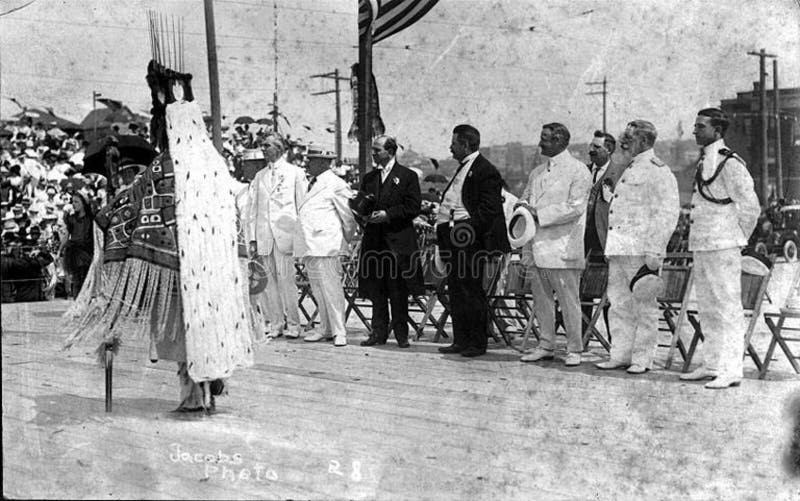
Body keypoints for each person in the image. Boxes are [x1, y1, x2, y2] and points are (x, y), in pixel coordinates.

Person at [680, 108, 760, 389]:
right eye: (695, 125)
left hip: (724, 245)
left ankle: (731, 369)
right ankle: (712, 363)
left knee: (727, 308)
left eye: (701, 126)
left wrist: (737, 239)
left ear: (717, 130)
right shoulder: (705, 161)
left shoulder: (732, 164)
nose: (695, 131)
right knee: (707, 307)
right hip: (703, 243)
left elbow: (750, 207)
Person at [595, 120, 680, 374]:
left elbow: (666, 213)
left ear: (644, 141)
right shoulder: (629, 167)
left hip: (642, 249)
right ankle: (620, 353)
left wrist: (655, 249)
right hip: (621, 246)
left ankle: (642, 358)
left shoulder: (658, 170)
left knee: (644, 305)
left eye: (629, 138)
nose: (623, 142)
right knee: (619, 303)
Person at [517, 123, 592, 366]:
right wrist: (521, 207)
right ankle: (546, 343)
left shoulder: (578, 171)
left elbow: (575, 207)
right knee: (541, 299)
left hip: (562, 248)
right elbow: (525, 197)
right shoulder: (537, 172)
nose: (540, 143)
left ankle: (574, 348)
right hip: (536, 246)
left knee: (569, 299)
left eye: (545, 139)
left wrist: (537, 213)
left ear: (560, 141)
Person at [435, 124, 510, 358]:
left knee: (471, 290)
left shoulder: (485, 170)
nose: (450, 148)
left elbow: (489, 209)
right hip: (451, 236)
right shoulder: (463, 168)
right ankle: (461, 339)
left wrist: (466, 229)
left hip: (468, 239)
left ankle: (477, 343)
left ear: (466, 145)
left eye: (454, 143)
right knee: (456, 289)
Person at [358, 135, 424, 348]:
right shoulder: (369, 178)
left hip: (398, 243)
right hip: (374, 242)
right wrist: (362, 215)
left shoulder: (407, 176)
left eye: (377, 150)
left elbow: (413, 207)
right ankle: (378, 332)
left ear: (390, 151)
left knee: (398, 291)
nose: (374, 154)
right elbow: (361, 206)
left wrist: (388, 214)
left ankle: (401, 334)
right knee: (377, 291)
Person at [295, 153, 356, 347]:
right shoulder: (308, 183)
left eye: (311, 160)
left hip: (327, 244)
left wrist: (343, 241)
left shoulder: (336, 183)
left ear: (322, 162)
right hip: (310, 243)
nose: (307, 164)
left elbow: (348, 217)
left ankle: (339, 331)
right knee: (318, 288)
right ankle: (325, 328)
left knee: (331, 288)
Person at [247, 134, 305, 338]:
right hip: (264, 236)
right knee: (269, 282)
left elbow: (302, 207)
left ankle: (294, 324)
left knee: (287, 282)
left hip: (285, 236)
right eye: (262, 145)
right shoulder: (259, 176)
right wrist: (252, 239)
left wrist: (300, 240)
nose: (263, 149)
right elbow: (253, 210)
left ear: (279, 148)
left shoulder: (295, 173)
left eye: (267, 145)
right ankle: (276, 323)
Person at [583, 130, 618, 338]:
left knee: (610, 295)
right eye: (591, 146)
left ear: (609, 149)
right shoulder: (583, 172)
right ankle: (581, 338)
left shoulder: (619, 173)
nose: (591, 151)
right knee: (582, 290)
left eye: (596, 147)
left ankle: (616, 344)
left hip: (605, 242)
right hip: (583, 241)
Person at [60, 191, 94, 298]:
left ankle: (84, 300)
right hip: (75, 251)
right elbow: (67, 236)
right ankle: (77, 301)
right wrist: (60, 250)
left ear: (83, 203)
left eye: (76, 202)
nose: (73, 204)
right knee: (77, 278)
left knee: (86, 277)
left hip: (87, 251)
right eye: (72, 202)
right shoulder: (71, 218)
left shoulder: (91, 219)